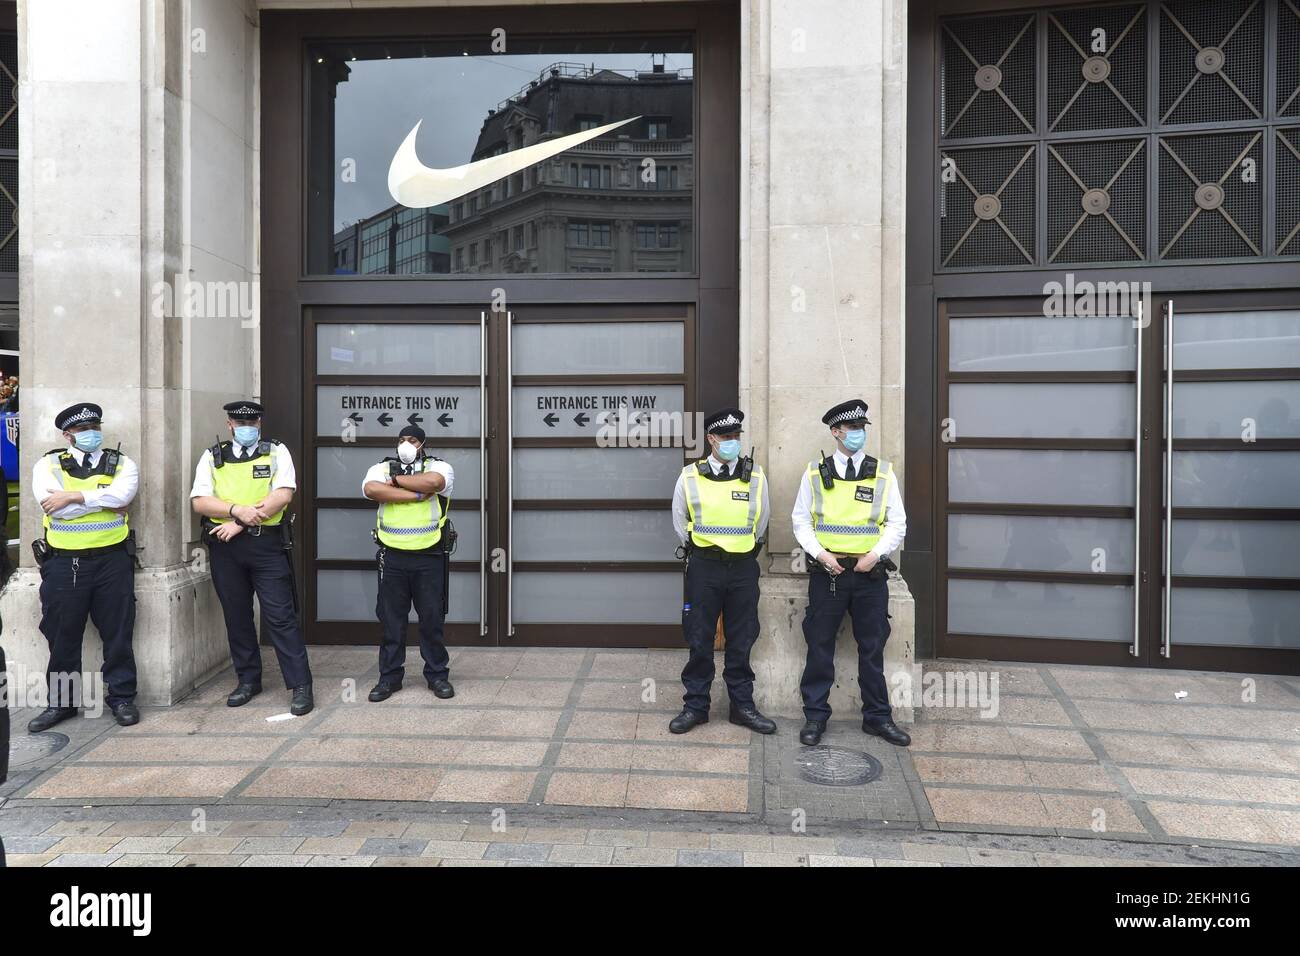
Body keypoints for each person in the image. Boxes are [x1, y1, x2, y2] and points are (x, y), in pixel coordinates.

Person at [791, 399, 909, 747]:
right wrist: (822, 555)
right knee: (819, 646)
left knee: (872, 648)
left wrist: (875, 556)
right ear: (835, 432)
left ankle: (877, 718)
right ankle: (815, 717)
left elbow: (897, 523)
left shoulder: (883, 473)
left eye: (861, 428)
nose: (858, 434)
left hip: (869, 574)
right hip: (829, 573)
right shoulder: (814, 473)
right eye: (852, 429)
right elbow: (801, 520)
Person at [190, 400, 313, 715]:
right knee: (237, 615)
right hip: (224, 547)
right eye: (240, 422)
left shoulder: (276, 451)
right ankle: (248, 680)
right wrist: (234, 510)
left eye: (253, 423)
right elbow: (201, 502)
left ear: (260, 425)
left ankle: (300, 685)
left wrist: (239, 522)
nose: (247, 428)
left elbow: (283, 495)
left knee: (280, 616)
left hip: (265, 545)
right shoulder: (212, 456)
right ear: (229, 425)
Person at [27, 402, 140, 731]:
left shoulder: (121, 463)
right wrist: (100, 498)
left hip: (112, 560)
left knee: (118, 633)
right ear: (67, 435)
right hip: (64, 563)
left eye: (95, 427)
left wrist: (74, 497)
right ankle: (61, 703)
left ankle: (121, 698)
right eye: (81, 430)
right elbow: (54, 508)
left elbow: (123, 497)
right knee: (62, 635)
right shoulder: (48, 465)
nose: (91, 434)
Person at [668, 407, 775, 735]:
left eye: (736, 436)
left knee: (742, 638)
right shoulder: (690, 476)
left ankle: (742, 706)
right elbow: (680, 522)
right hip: (704, 566)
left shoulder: (755, 475)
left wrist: (742, 550)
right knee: (700, 637)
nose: (733, 442)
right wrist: (705, 550)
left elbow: (763, 523)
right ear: (711, 439)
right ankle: (696, 706)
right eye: (726, 436)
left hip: (743, 568)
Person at [361, 425, 456, 701]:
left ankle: (437, 676)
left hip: (429, 555)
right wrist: (414, 495)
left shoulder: (439, 465)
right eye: (401, 439)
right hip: (392, 556)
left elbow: (434, 484)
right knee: (391, 621)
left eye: (412, 440)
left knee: (431, 619)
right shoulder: (381, 468)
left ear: (422, 443)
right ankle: (389, 678)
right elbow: (371, 489)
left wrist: (397, 482)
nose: (405, 444)